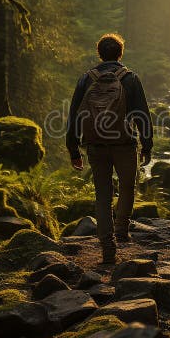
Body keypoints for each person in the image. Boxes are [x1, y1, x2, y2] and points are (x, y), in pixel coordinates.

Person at [66, 33, 153, 264]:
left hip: (96, 145)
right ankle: (122, 230)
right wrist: (147, 145)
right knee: (126, 187)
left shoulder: (87, 79)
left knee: (102, 195)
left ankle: (107, 247)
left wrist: (73, 149)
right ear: (120, 53)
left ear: (100, 54)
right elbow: (142, 114)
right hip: (125, 144)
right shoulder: (130, 78)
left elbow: (74, 115)